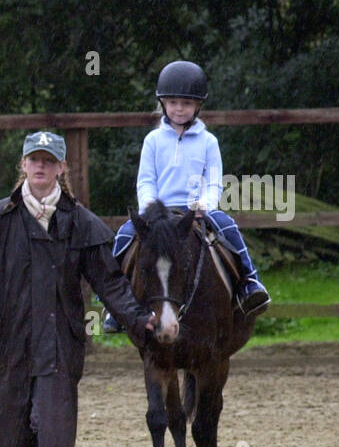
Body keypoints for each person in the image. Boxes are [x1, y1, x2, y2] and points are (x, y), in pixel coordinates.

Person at [0, 132, 156, 447]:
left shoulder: (81, 222)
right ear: (24, 165)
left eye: (50, 161)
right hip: (7, 339)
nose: (41, 167)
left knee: (53, 416)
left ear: (62, 169)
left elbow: (109, 281)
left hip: (60, 338)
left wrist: (137, 317)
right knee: (12, 415)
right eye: (35, 159)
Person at [104, 60, 270, 332]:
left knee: (228, 227)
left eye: (186, 103)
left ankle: (250, 283)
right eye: (172, 103)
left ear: (198, 106)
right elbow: (146, 180)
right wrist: (150, 206)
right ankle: (113, 303)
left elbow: (215, 180)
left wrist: (206, 204)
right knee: (124, 235)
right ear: (163, 103)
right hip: (160, 210)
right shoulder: (153, 141)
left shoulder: (209, 142)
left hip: (197, 208)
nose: (179, 109)